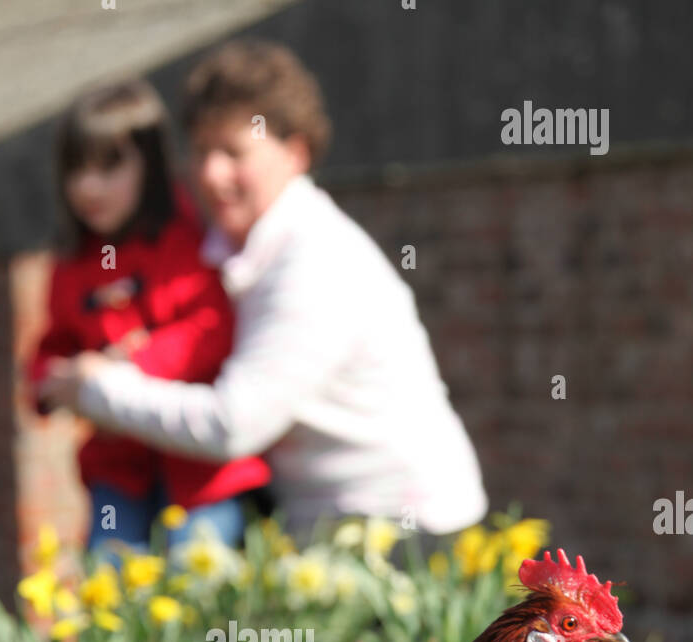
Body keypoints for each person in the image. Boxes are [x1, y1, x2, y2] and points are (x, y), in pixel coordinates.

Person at [39, 42, 488, 541]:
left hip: (404, 530)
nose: (212, 174)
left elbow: (233, 424)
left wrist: (96, 388)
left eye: (234, 152)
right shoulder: (228, 249)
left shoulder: (315, 260)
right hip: (329, 528)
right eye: (203, 151)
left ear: (295, 153)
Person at [29, 78, 270, 559]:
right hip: (119, 472)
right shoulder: (72, 263)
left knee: (198, 588)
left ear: (152, 166)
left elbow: (211, 329)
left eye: (110, 166)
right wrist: (48, 381)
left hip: (203, 471)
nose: (88, 186)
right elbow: (52, 346)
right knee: (110, 590)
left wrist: (118, 375)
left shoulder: (188, 239)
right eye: (76, 169)